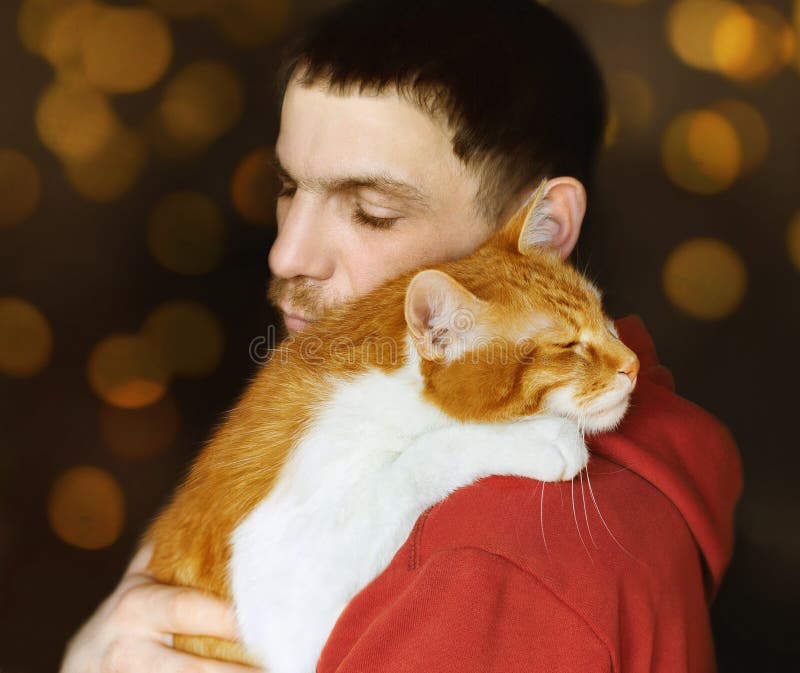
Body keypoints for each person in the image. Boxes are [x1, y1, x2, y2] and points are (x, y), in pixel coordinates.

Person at [60, 1, 742, 671]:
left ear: (548, 232)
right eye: (289, 187)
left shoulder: (487, 562)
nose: (286, 254)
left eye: (372, 212)